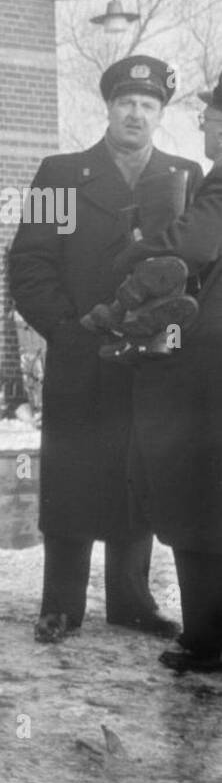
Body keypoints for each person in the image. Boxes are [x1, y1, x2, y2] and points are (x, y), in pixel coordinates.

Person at [9, 55, 199, 645]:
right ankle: (60, 606)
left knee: (137, 477)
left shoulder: (185, 175)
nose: (136, 114)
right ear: (109, 108)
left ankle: (133, 602)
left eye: (148, 106)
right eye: (126, 103)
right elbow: (28, 265)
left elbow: (198, 268)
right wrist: (68, 331)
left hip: (152, 364)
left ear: (160, 114)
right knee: (71, 477)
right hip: (81, 352)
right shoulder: (60, 174)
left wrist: (172, 333)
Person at [112, 73, 222, 674]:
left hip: (203, 373)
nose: (202, 122)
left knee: (195, 497)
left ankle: (205, 639)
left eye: (209, 114)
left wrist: (139, 249)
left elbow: (193, 247)